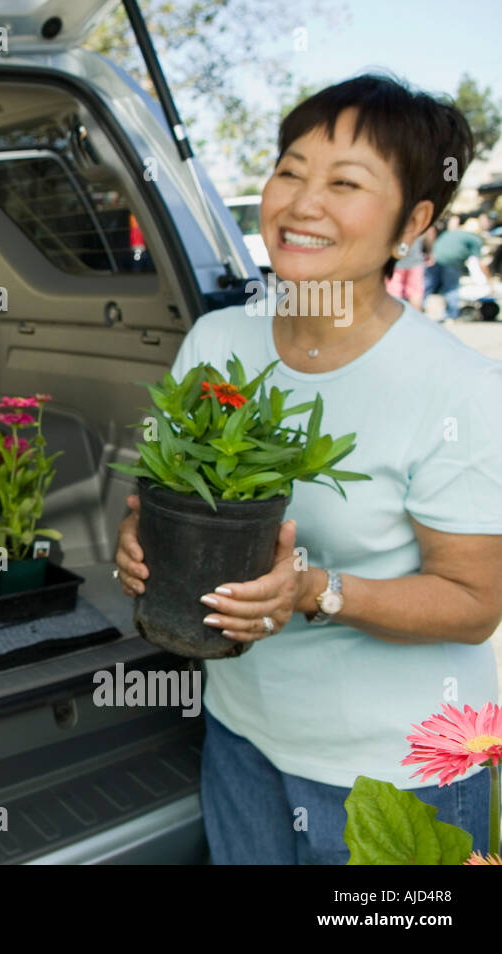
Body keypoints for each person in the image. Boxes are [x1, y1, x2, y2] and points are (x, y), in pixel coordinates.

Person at [114, 74, 502, 865]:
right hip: (245, 734)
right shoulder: (220, 340)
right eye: (290, 169)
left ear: (414, 221)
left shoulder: (457, 387)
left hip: (399, 772)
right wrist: (137, 536)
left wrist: (314, 589)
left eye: (345, 183)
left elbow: (474, 603)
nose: (301, 202)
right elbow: (159, 491)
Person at [432, 214, 491, 319]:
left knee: (429, 285)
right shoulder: (474, 238)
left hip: (434, 258)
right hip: (451, 261)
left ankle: (417, 313)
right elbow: (478, 261)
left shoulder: (453, 233)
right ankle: (451, 314)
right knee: (452, 287)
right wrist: (488, 279)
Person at [384, 223, 434, 309]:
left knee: (394, 292)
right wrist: (429, 252)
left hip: (398, 262)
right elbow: (429, 233)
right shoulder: (421, 221)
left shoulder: (397, 219)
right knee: (415, 293)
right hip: (415, 262)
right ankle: (416, 318)